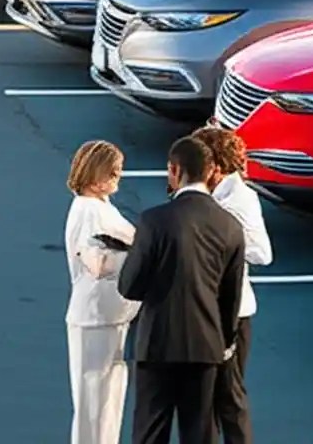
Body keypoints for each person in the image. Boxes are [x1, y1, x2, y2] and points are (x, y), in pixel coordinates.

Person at [118, 137, 246, 444]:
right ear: (210, 172)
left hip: (157, 345)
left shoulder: (154, 221)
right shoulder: (230, 226)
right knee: (199, 433)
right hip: (206, 347)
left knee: (151, 430)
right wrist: (225, 342)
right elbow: (231, 297)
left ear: (174, 170)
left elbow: (129, 286)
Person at [192, 126, 273, 444]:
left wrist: (220, 241)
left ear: (216, 166)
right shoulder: (210, 193)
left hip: (231, 314)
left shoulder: (239, 199)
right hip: (207, 309)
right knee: (205, 398)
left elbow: (261, 253)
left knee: (228, 396)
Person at [63, 140, 139, 444]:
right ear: (95, 175)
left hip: (110, 315)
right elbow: (95, 261)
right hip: (96, 317)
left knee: (107, 401)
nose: (119, 175)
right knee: (95, 403)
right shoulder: (89, 210)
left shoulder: (99, 206)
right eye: (113, 171)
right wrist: (137, 259)